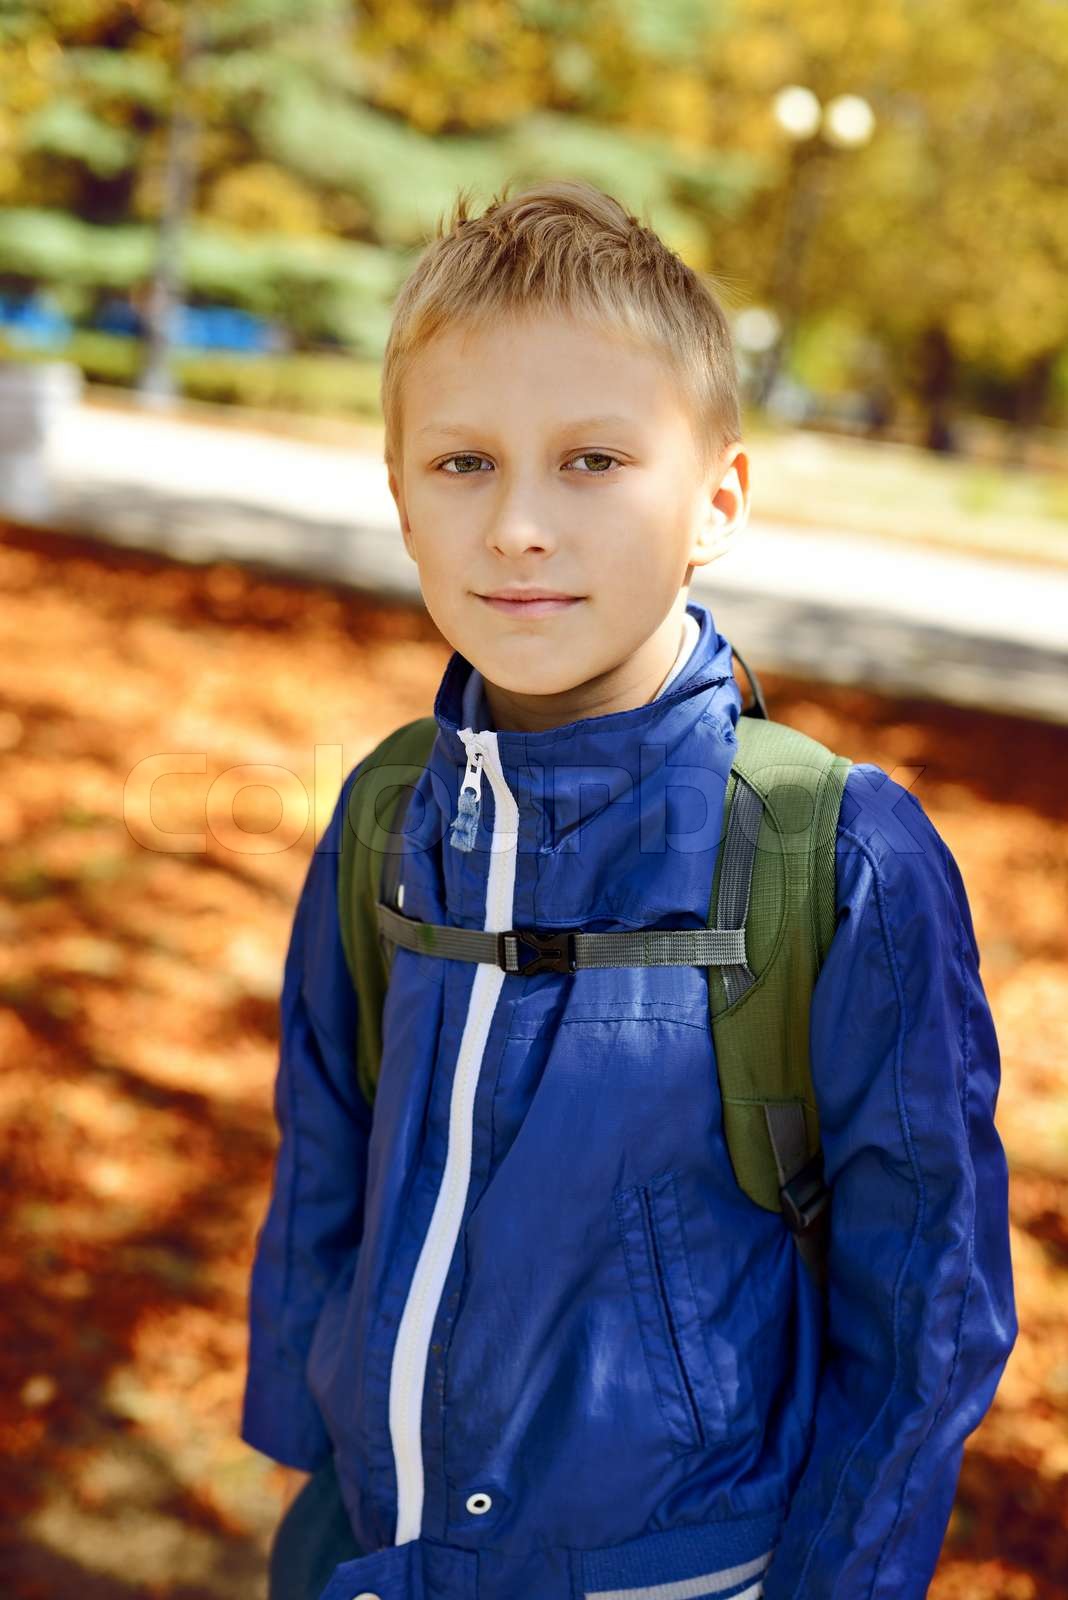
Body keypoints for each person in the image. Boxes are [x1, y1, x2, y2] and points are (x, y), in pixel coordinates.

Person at [240, 178, 1017, 1600]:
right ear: (401, 500)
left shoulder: (837, 857)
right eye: (463, 463)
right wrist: (314, 1480)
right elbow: (324, 1150)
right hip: (373, 1545)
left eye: (593, 461)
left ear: (717, 500)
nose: (519, 526)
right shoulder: (387, 813)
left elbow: (928, 1311)